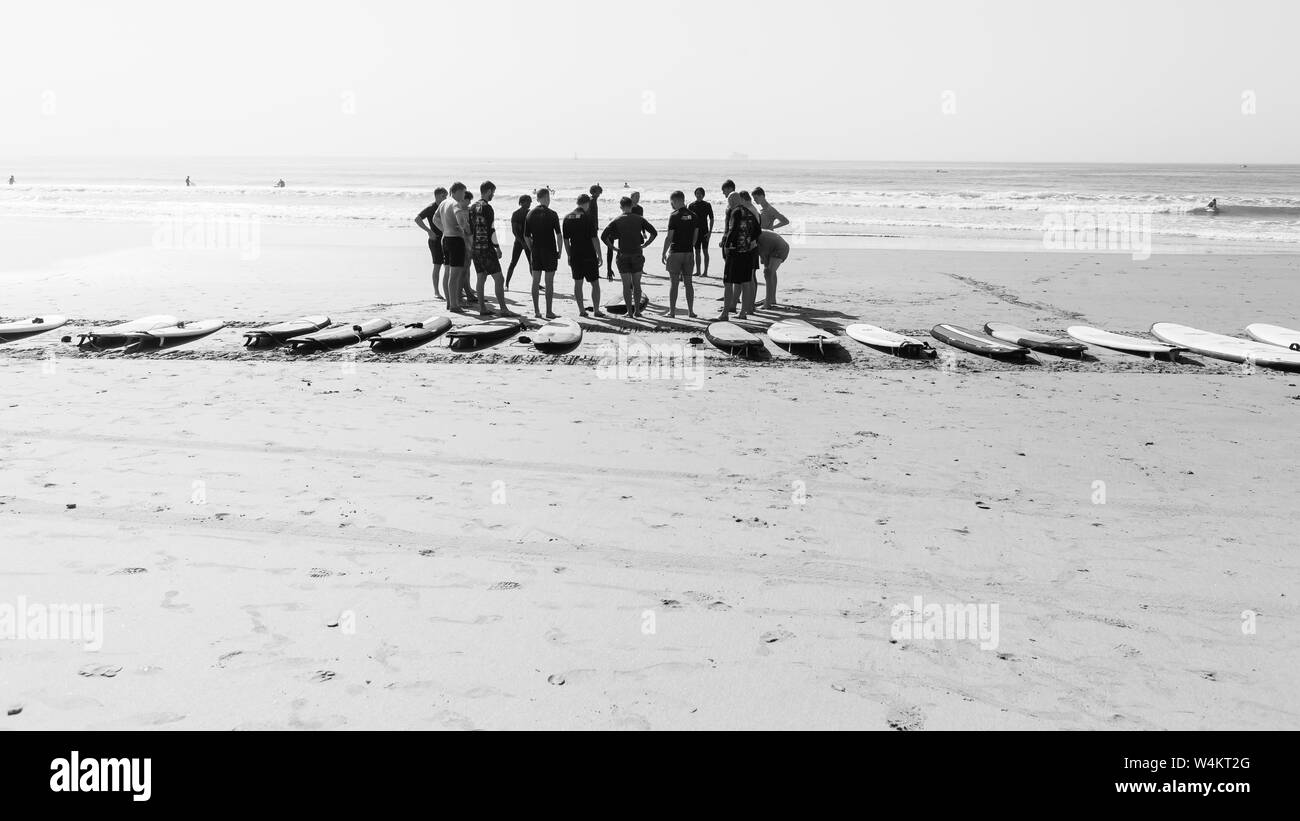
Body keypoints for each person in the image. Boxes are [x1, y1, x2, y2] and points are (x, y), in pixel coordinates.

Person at [601, 197, 658, 319]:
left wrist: (613, 247)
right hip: (637, 254)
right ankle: (637, 311)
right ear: (632, 206)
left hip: (623, 255)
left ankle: (629, 313)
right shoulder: (639, 219)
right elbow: (654, 233)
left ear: (621, 207)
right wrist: (646, 244)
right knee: (637, 284)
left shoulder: (617, 220)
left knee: (626, 285)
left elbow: (603, 236)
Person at [468, 181, 512, 317]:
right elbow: (491, 230)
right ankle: (503, 309)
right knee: (499, 279)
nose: (493, 194)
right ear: (488, 191)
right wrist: (497, 248)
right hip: (486, 248)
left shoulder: (472, 207)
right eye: (493, 192)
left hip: (475, 248)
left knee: (481, 277)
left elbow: (470, 229)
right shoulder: (487, 208)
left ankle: (482, 308)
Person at [719, 192, 761, 321]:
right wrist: (751, 241)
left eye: (729, 201)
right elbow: (758, 231)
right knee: (745, 282)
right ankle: (743, 312)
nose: (728, 203)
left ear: (732, 201)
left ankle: (725, 314)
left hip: (735, 252)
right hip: (748, 252)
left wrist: (726, 246)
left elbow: (733, 229)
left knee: (728, 282)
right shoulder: (749, 212)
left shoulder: (735, 212)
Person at [563, 194, 606, 318]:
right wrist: (600, 255)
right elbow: (594, 238)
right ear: (586, 203)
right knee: (595, 283)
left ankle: (582, 310)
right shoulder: (588, 217)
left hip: (575, 254)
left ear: (577, 203)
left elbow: (566, 240)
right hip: (589, 254)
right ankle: (596, 310)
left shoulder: (567, 217)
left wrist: (569, 255)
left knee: (578, 283)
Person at [524, 188, 563, 319]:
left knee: (535, 281)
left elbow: (526, 236)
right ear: (546, 197)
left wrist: (531, 249)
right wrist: (560, 251)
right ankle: (549, 311)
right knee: (549, 282)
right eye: (549, 198)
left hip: (536, 251)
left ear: (537, 198)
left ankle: (536, 311)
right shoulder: (552, 214)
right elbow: (559, 235)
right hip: (550, 251)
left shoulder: (529, 214)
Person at [661, 191, 699, 318]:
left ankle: (672, 312)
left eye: (672, 202)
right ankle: (691, 311)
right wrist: (689, 247)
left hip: (676, 252)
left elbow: (669, 237)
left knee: (674, 283)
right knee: (689, 283)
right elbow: (695, 236)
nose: (671, 205)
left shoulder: (674, 215)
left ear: (676, 201)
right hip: (689, 252)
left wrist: (663, 252)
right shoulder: (693, 215)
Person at [437, 182, 473, 312]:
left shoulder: (443, 203)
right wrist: (465, 229)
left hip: (445, 239)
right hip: (456, 241)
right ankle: (454, 305)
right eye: (464, 192)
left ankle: (449, 302)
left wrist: (445, 229)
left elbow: (436, 219)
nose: (464, 195)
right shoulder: (455, 204)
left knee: (447, 272)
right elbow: (462, 222)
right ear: (457, 191)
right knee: (455, 274)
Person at [752, 188, 791, 309]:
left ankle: (770, 299)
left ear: (762, 196)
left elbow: (785, 221)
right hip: (763, 242)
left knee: (769, 272)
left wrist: (772, 227)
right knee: (769, 271)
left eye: (756, 198)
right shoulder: (761, 210)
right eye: (753, 198)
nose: (755, 200)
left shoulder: (769, 209)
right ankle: (771, 297)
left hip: (770, 240)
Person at [414, 187, 449, 300]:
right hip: (435, 240)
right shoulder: (431, 207)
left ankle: (450, 290)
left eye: (446, 196)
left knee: (448, 266)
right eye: (444, 196)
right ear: (437, 196)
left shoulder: (445, 206)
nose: (446, 198)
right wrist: (429, 231)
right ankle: (436, 292)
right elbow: (417, 219)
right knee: (437, 265)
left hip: (446, 239)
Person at [506, 194, 532, 288]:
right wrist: (522, 242)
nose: (530, 203)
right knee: (513, 262)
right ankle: (507, 283)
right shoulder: (516, 214)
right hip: (519, 241)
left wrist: (529, 241)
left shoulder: (531, 213)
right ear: (521, 202)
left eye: (530, 201)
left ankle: (536, 283)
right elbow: (514, 230)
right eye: (528, 201)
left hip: (528, 241)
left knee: (531, 262)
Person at [688, 188, 714, 277]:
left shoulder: (707, 205)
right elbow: (689, 219)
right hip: (695, 232)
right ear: (695, 194)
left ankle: (705, 272)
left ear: (703, 195)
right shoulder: (691, 206)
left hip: (705, 231)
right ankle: (698, 271)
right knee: (697, 251)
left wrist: (710, 232)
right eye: (697, 193)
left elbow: (711, 218)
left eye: (700, 193)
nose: (699, 195)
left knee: (705, 251)